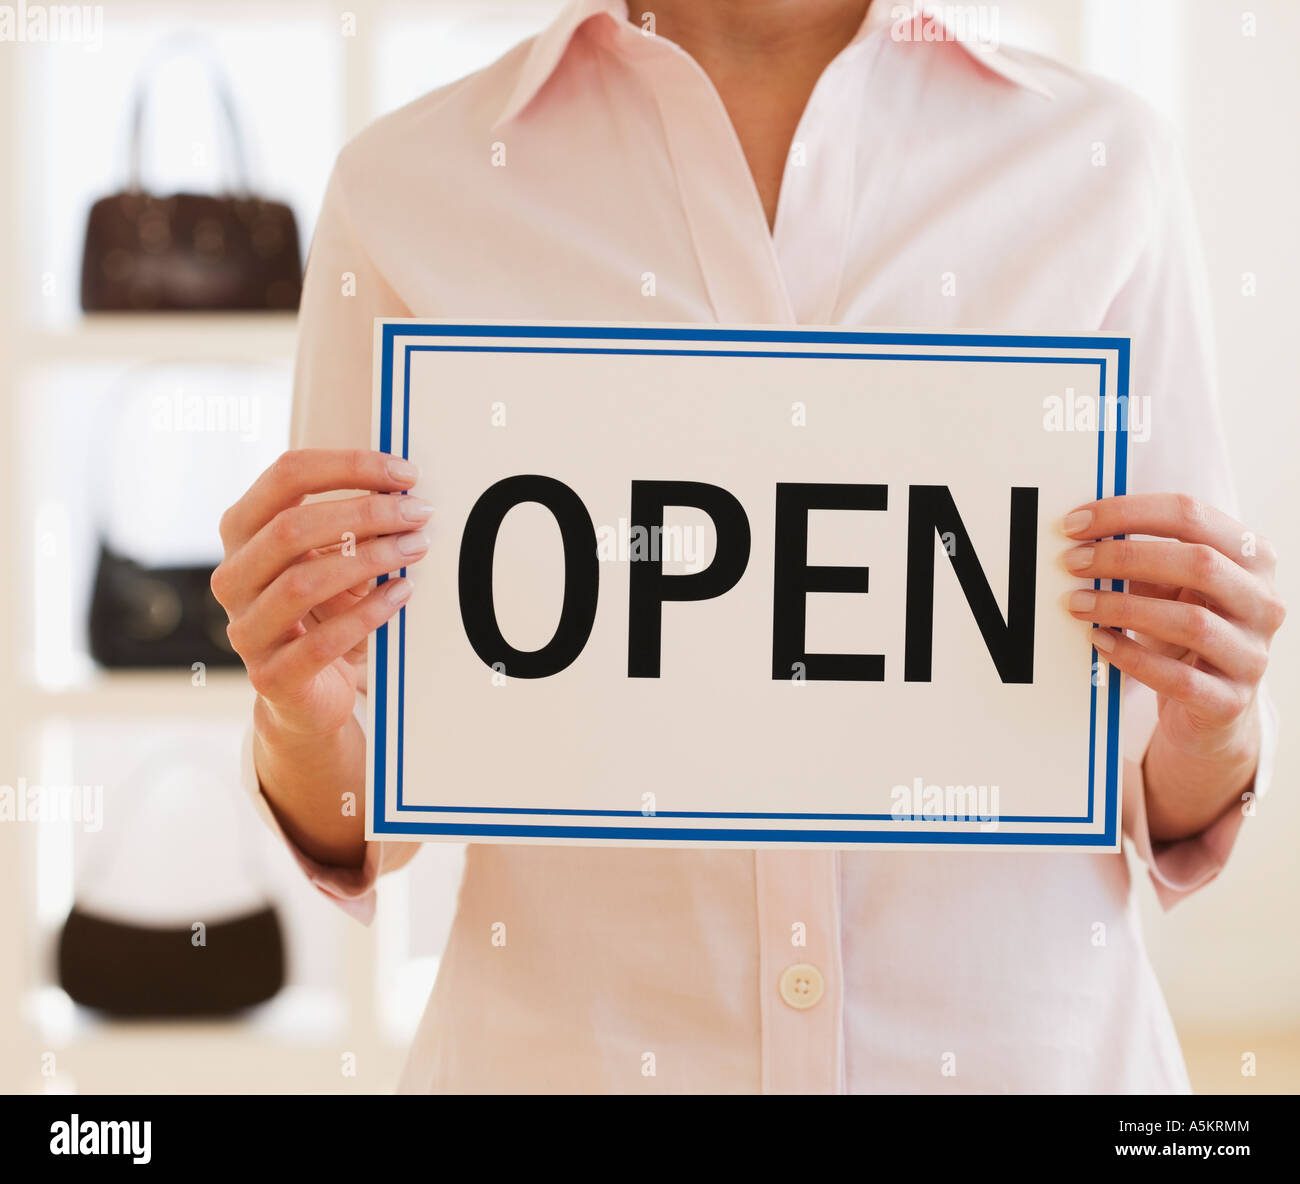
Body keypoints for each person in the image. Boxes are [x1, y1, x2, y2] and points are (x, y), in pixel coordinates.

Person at [211, 0, 1285, 1092]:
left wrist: (1215, 717)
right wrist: (300, 716)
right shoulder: (409, 186)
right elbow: (361, 804)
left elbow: (1161, 783)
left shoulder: (1102, 163)